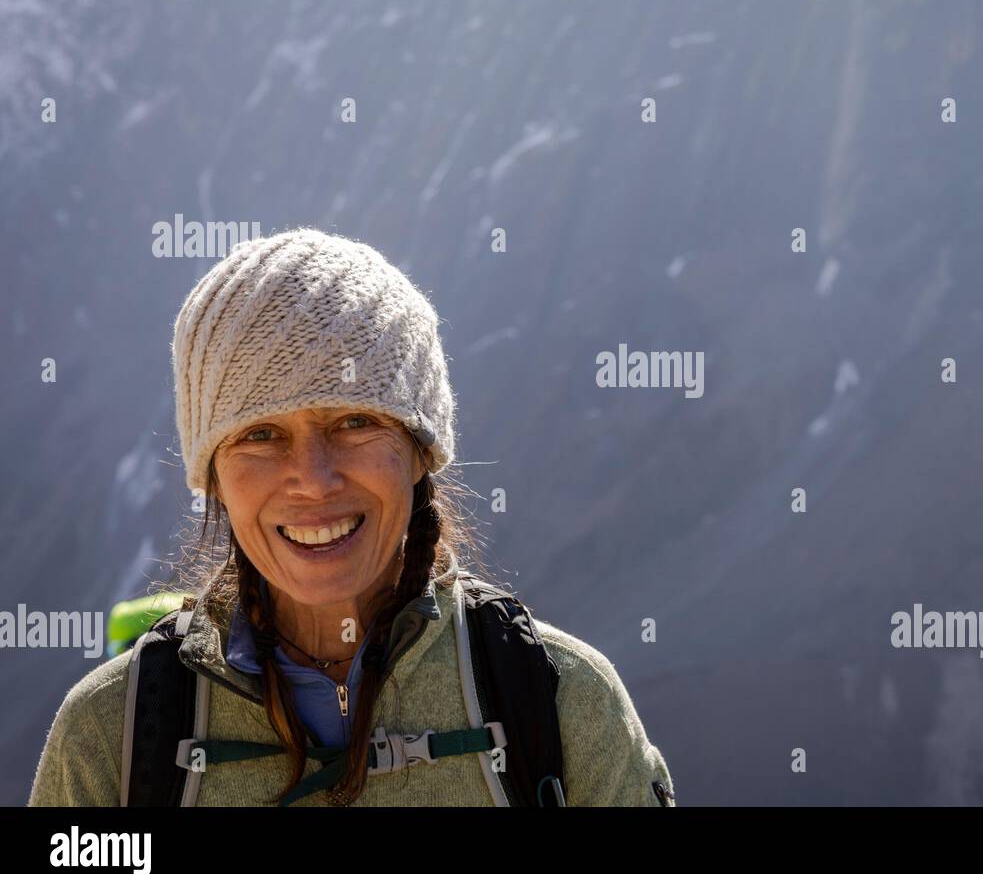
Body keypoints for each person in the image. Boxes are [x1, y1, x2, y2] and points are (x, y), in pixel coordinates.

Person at [28, 228, 676, 807]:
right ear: (214, 474)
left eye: (354, 421)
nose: (312, 478)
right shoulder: (110, 738)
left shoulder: (560, 704)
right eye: (260, 434)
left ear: (421, 450)